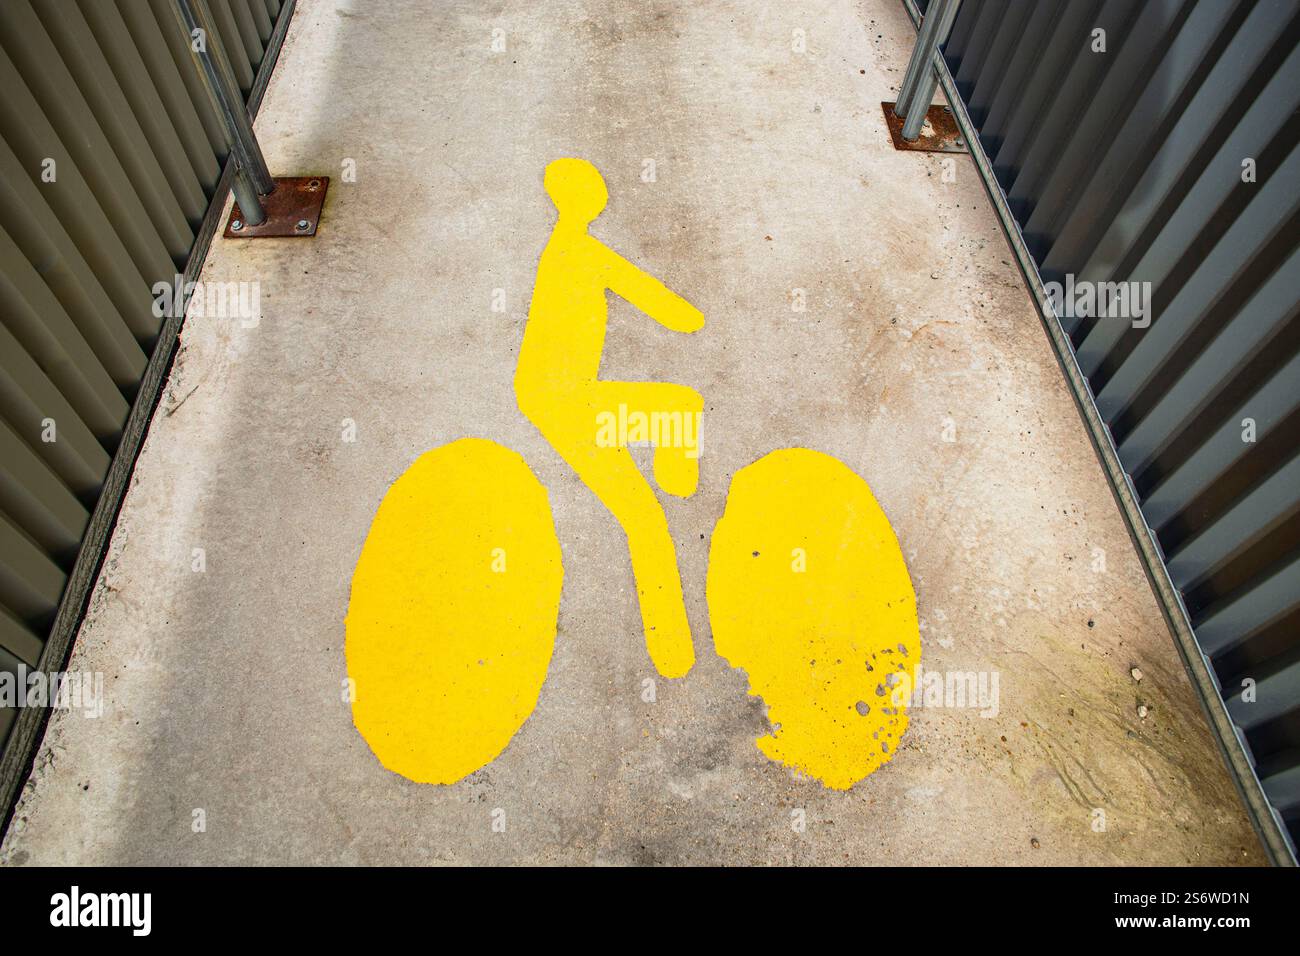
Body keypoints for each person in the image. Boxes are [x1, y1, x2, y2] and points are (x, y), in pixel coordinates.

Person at [515, 158, 704, 679]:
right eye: (595, 187)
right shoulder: (580, 251)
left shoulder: (565, 248)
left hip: (564, 394)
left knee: (679, 408)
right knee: (642, 514)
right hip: (563, 400)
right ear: (587, 198)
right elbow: (661, 303)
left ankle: (677, 477)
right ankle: (672, 649)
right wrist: (691, 318)